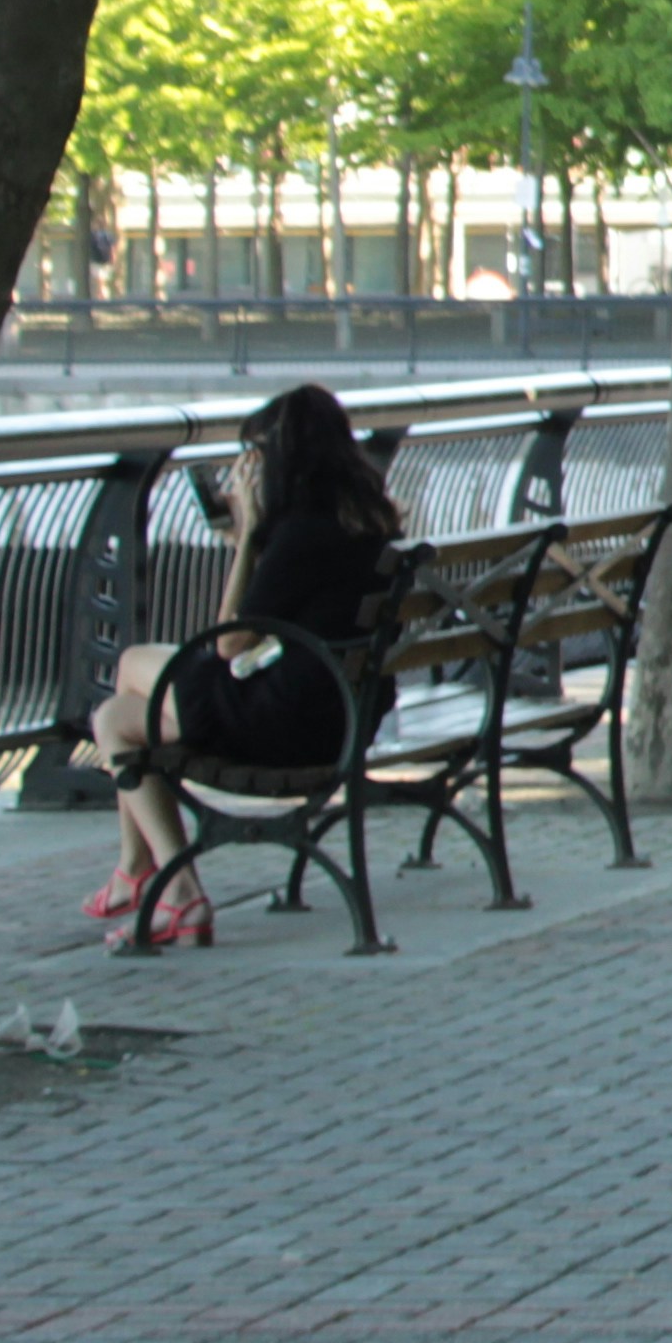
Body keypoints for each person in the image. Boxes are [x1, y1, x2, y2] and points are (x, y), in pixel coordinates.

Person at [84, 384, 403, 949]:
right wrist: (257, 541)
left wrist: (247, 538)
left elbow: (232, 643)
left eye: (255, 461)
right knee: (125, 694)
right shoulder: (369, 520)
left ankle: (174, 890)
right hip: (345, 713)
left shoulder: (302, 533)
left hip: (288, 723)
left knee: (120, 705)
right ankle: (142, 872)